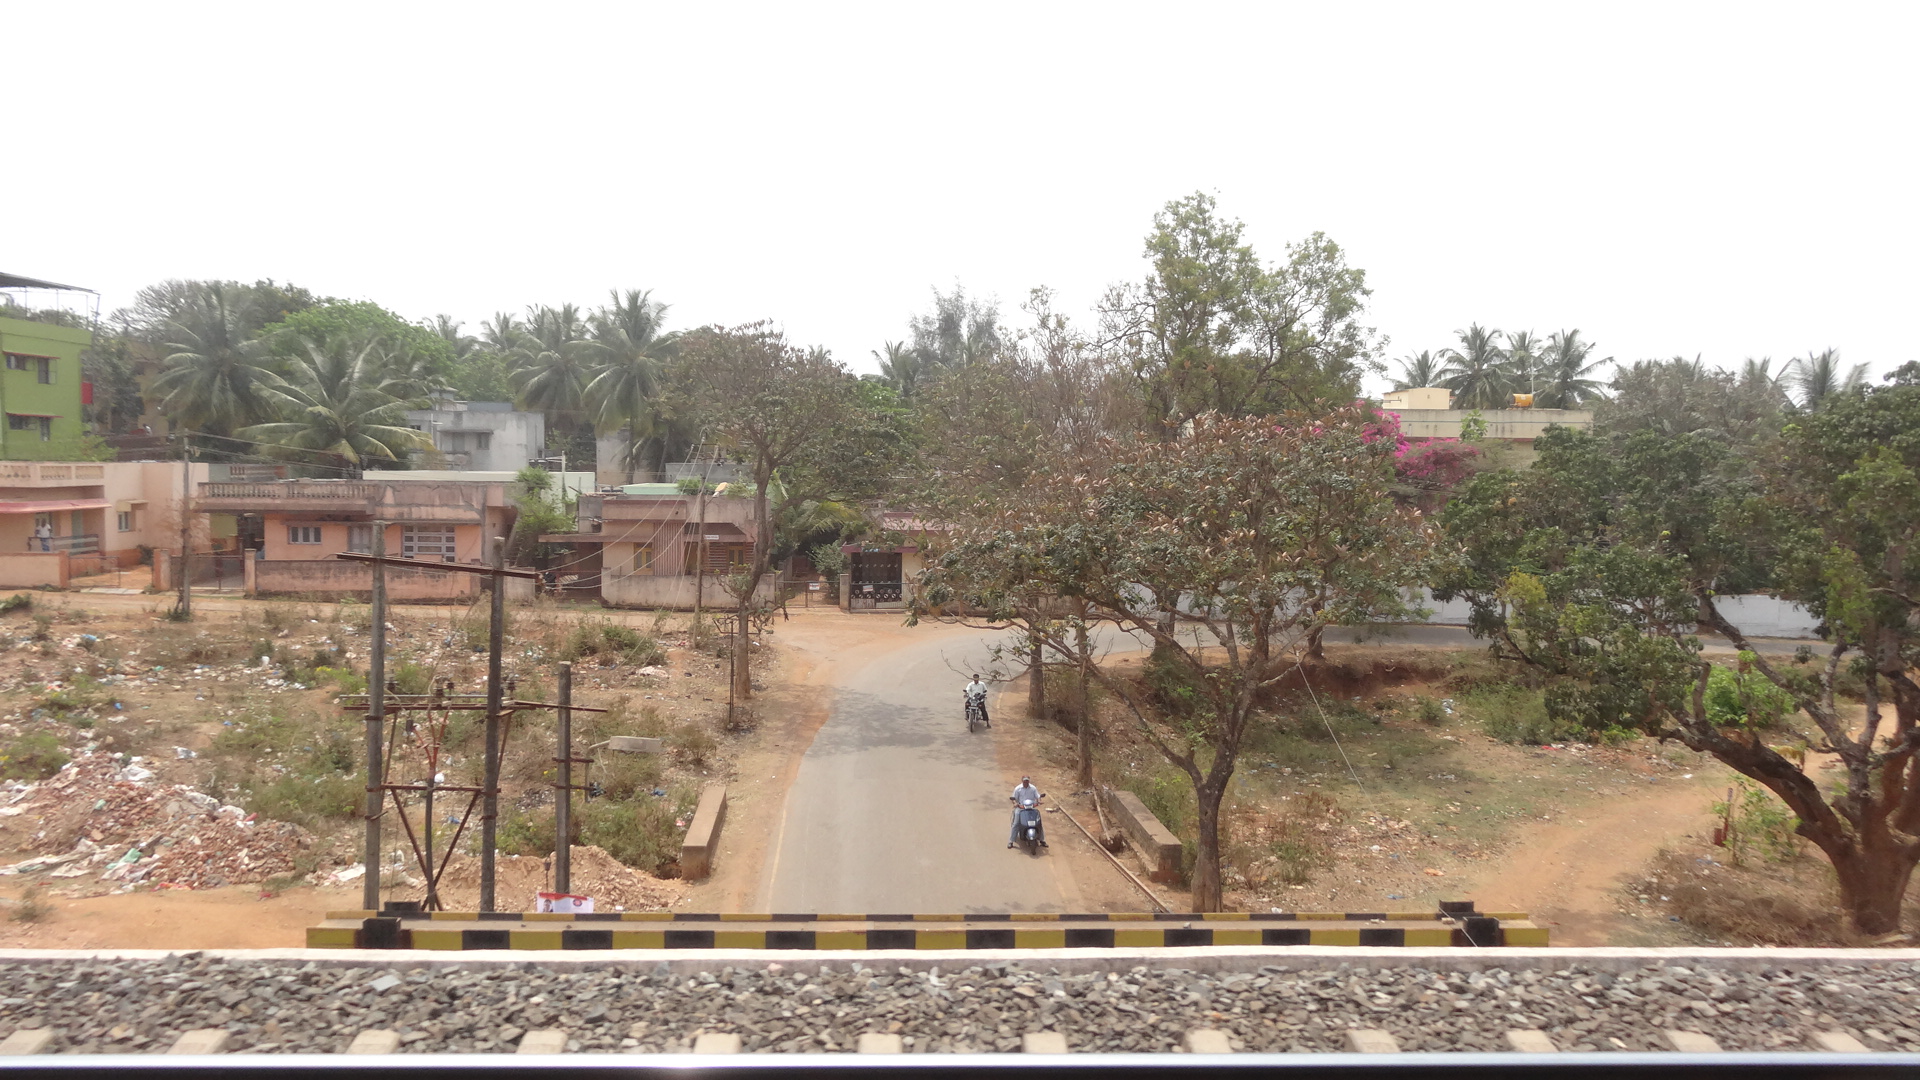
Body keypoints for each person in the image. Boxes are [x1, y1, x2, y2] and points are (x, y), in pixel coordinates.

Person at [1008, 775, 1046, 848]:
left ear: (1029, 781)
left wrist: (1039, 801)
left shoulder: (1033, 788)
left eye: (1027, 780)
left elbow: (1038, 796)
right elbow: (1014, 798)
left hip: (1031, 807)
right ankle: (1011, 841)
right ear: (1022, 781)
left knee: (1039, 823)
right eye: (1024, 781)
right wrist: (1015, 803)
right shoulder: (1018, 788)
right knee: (1016, 823)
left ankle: (1042, 840)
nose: (1026, 782)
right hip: (1021, 808)